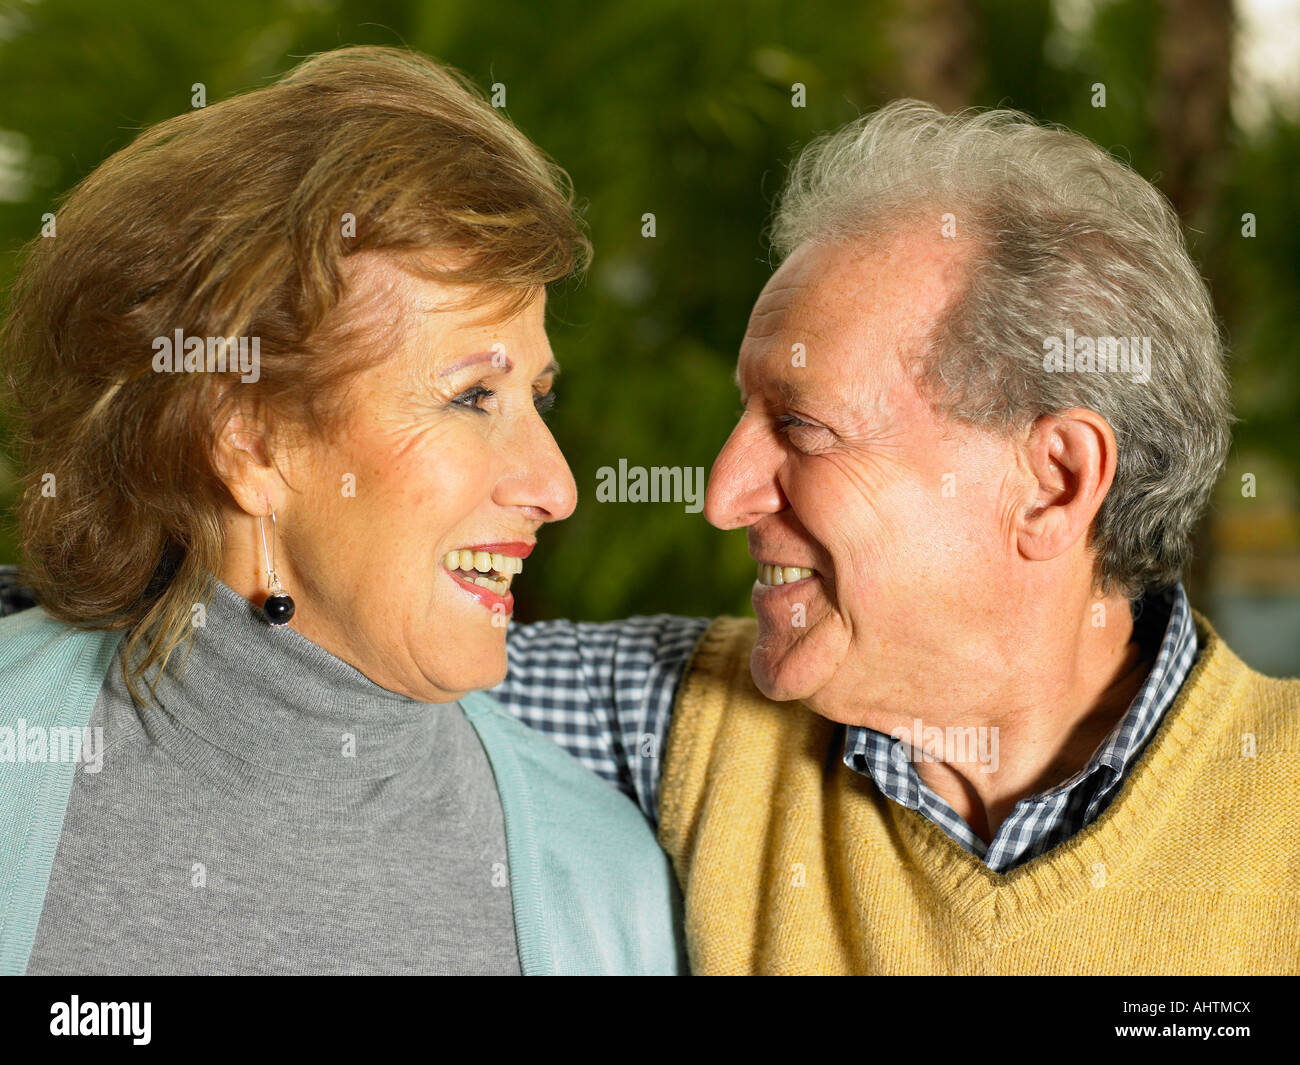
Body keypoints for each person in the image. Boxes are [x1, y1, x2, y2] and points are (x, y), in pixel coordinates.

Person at [483, 102, 1299, 974]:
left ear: (1053, 483)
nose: (723, 494)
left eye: (801, 427)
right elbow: (351, 668)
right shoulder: (674, 725)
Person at [0, 46, 683, 976]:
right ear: (250, 441)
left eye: (539, 398)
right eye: (473, 395)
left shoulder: (610, 888)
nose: (554, 485)